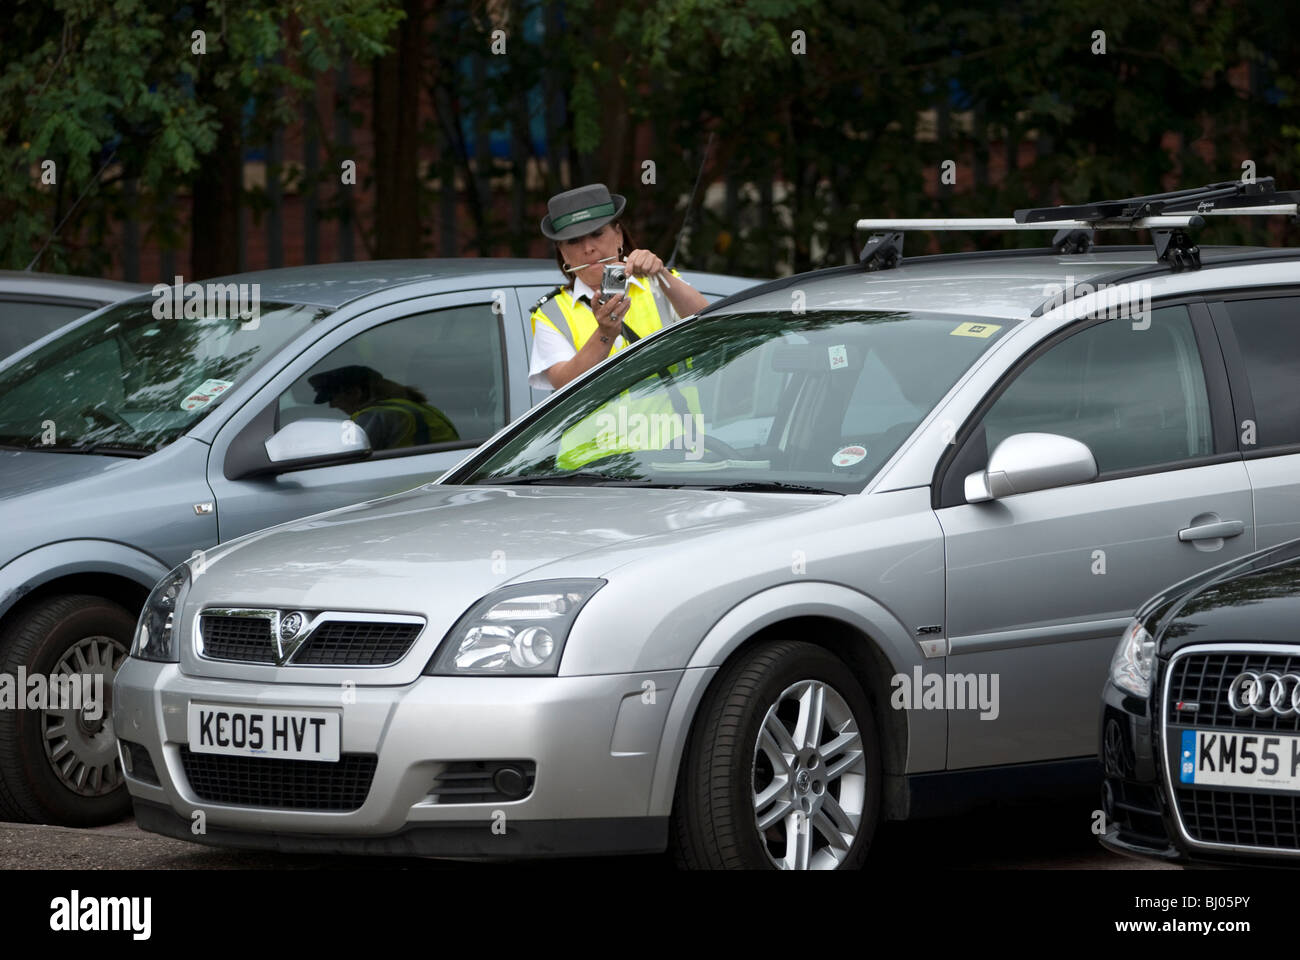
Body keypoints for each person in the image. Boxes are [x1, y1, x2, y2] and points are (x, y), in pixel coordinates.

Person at [529, 183, 710, 392]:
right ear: (562, 252)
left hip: (675, 424)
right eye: (573, 241)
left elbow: (709, 326)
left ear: (618, 234)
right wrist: (605, 334)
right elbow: (564, 385)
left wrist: (661, 274)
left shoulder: (661, 282)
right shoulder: (551, 314)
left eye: (597, 234)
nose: (588, 248)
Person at [308, 364, 458, 450]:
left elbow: (344, 458)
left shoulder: (377, 416)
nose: (332, 405)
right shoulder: (415, 408)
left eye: (332, 398)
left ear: (355, 393)